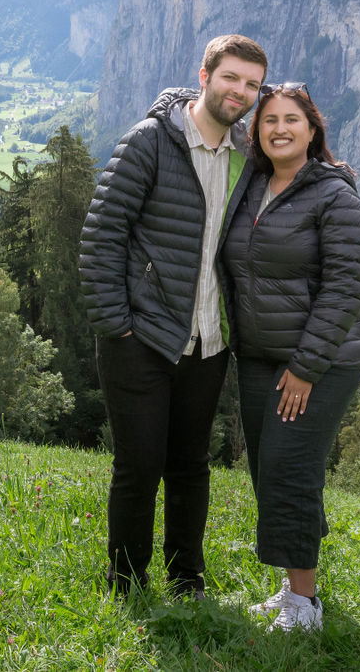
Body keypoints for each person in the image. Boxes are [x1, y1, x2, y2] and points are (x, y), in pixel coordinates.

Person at [79, 34, 269, 598]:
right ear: (205, 74)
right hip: (141, 337)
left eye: (252, 84)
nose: (240, 92)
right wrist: (118, 324)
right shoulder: (150, 143)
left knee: (191, 466)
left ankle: (187, 581)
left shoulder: (245, 158)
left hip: (208, 344)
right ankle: (128, 586)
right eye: (231, 77)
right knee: (139, 468)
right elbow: (101, 238)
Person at [219, 81, 360, 632]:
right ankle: (293, 592)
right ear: (257, 132)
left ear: (313, 130)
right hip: (260, 357)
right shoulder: (255, 183)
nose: (280, 128)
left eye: (292, 120)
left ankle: (305, 605)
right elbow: (212, 109)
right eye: (269, 120)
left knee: (290, 470)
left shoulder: (336, 197)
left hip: (319, 364)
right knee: (269, 472)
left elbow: (342, 291)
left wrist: (305, 369)